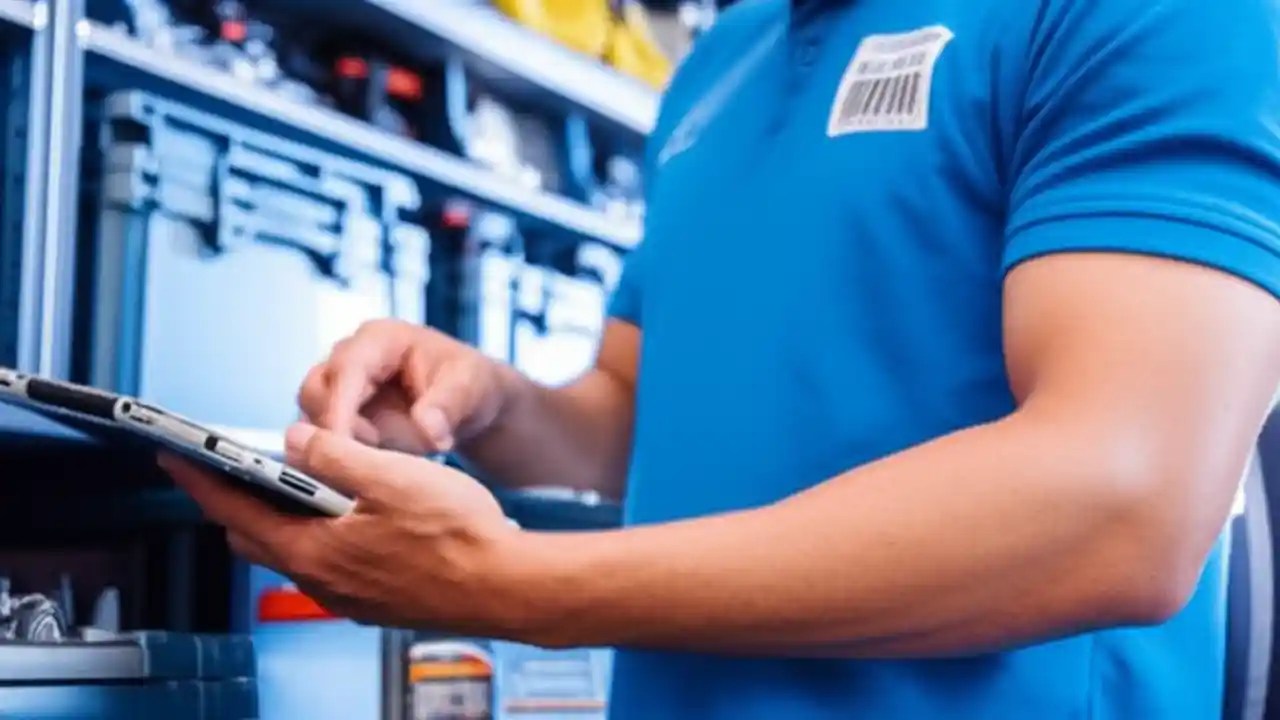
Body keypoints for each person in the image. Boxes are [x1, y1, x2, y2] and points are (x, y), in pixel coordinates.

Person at [161, 0, 1280, 717]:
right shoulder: (723, 61)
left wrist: (511, 587)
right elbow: (635, 413)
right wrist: (485, 402)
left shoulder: (1157, 14)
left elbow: (1122, 506)